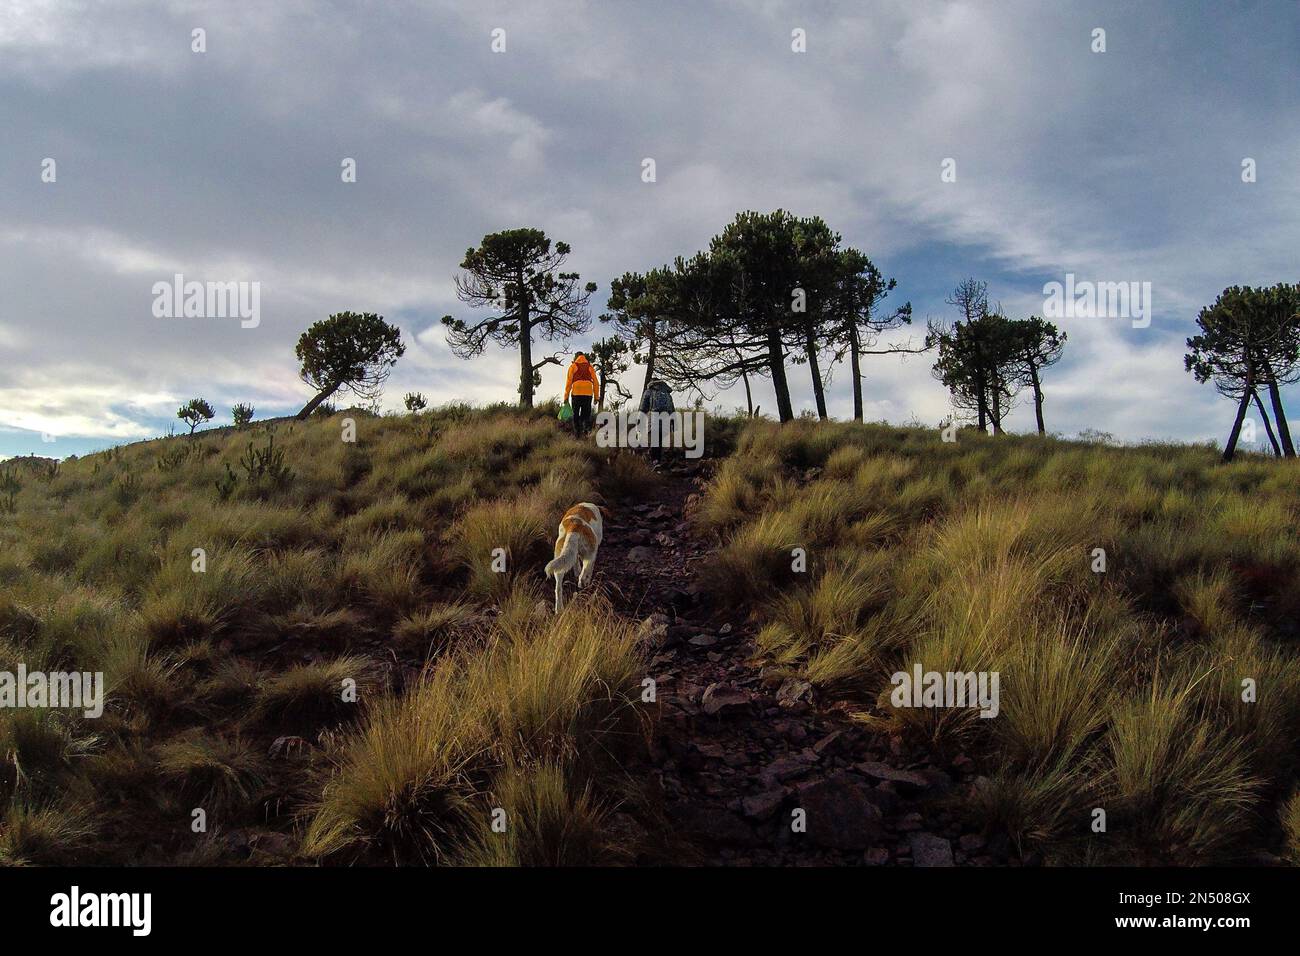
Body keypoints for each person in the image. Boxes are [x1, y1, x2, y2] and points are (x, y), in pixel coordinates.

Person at [563, 352, 599, 438]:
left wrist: (566, 396)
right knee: (586, 414)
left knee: (575, 413)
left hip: (576, 392)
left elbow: (568, 383)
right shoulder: (590, 367)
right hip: (588, 393)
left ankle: (577, 434)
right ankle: (586, 431)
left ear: (576, 357)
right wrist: (596, 397)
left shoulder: (573, 366)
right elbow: (596, 382)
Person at [639, 379, 675, 461]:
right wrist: (673, 424)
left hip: (654, 419)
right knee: (660, 441)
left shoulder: (649, 391)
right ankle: (659, 460)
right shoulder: (667, 394)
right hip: (666, 420)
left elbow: (643, 407)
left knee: (654, 441)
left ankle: (655, 461)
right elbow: (672, 410)